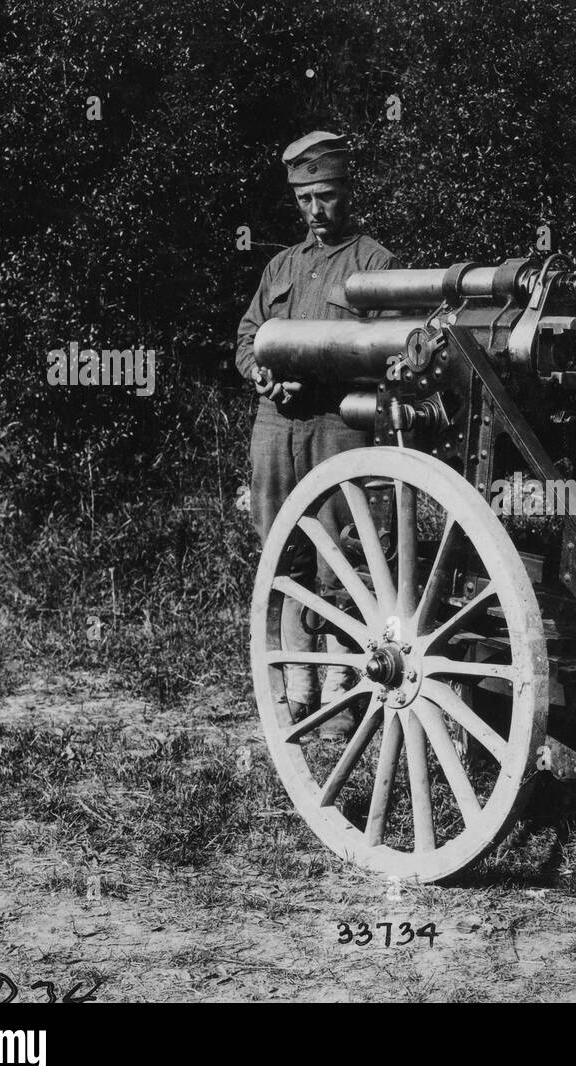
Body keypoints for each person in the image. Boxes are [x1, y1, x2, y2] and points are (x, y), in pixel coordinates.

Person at [235, 130, 397, 733]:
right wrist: (263, 377)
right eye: (304, 199)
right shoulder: (282, 265)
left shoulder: (374, 264)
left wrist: (323, 370)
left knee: (342, 561)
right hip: (277, 427)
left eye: (324, 196)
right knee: (283, 555)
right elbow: (248, 337)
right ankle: (296, 683)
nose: (314, 211)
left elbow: (393, 351)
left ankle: (342, 690)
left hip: (339, 425)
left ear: (346, 190)